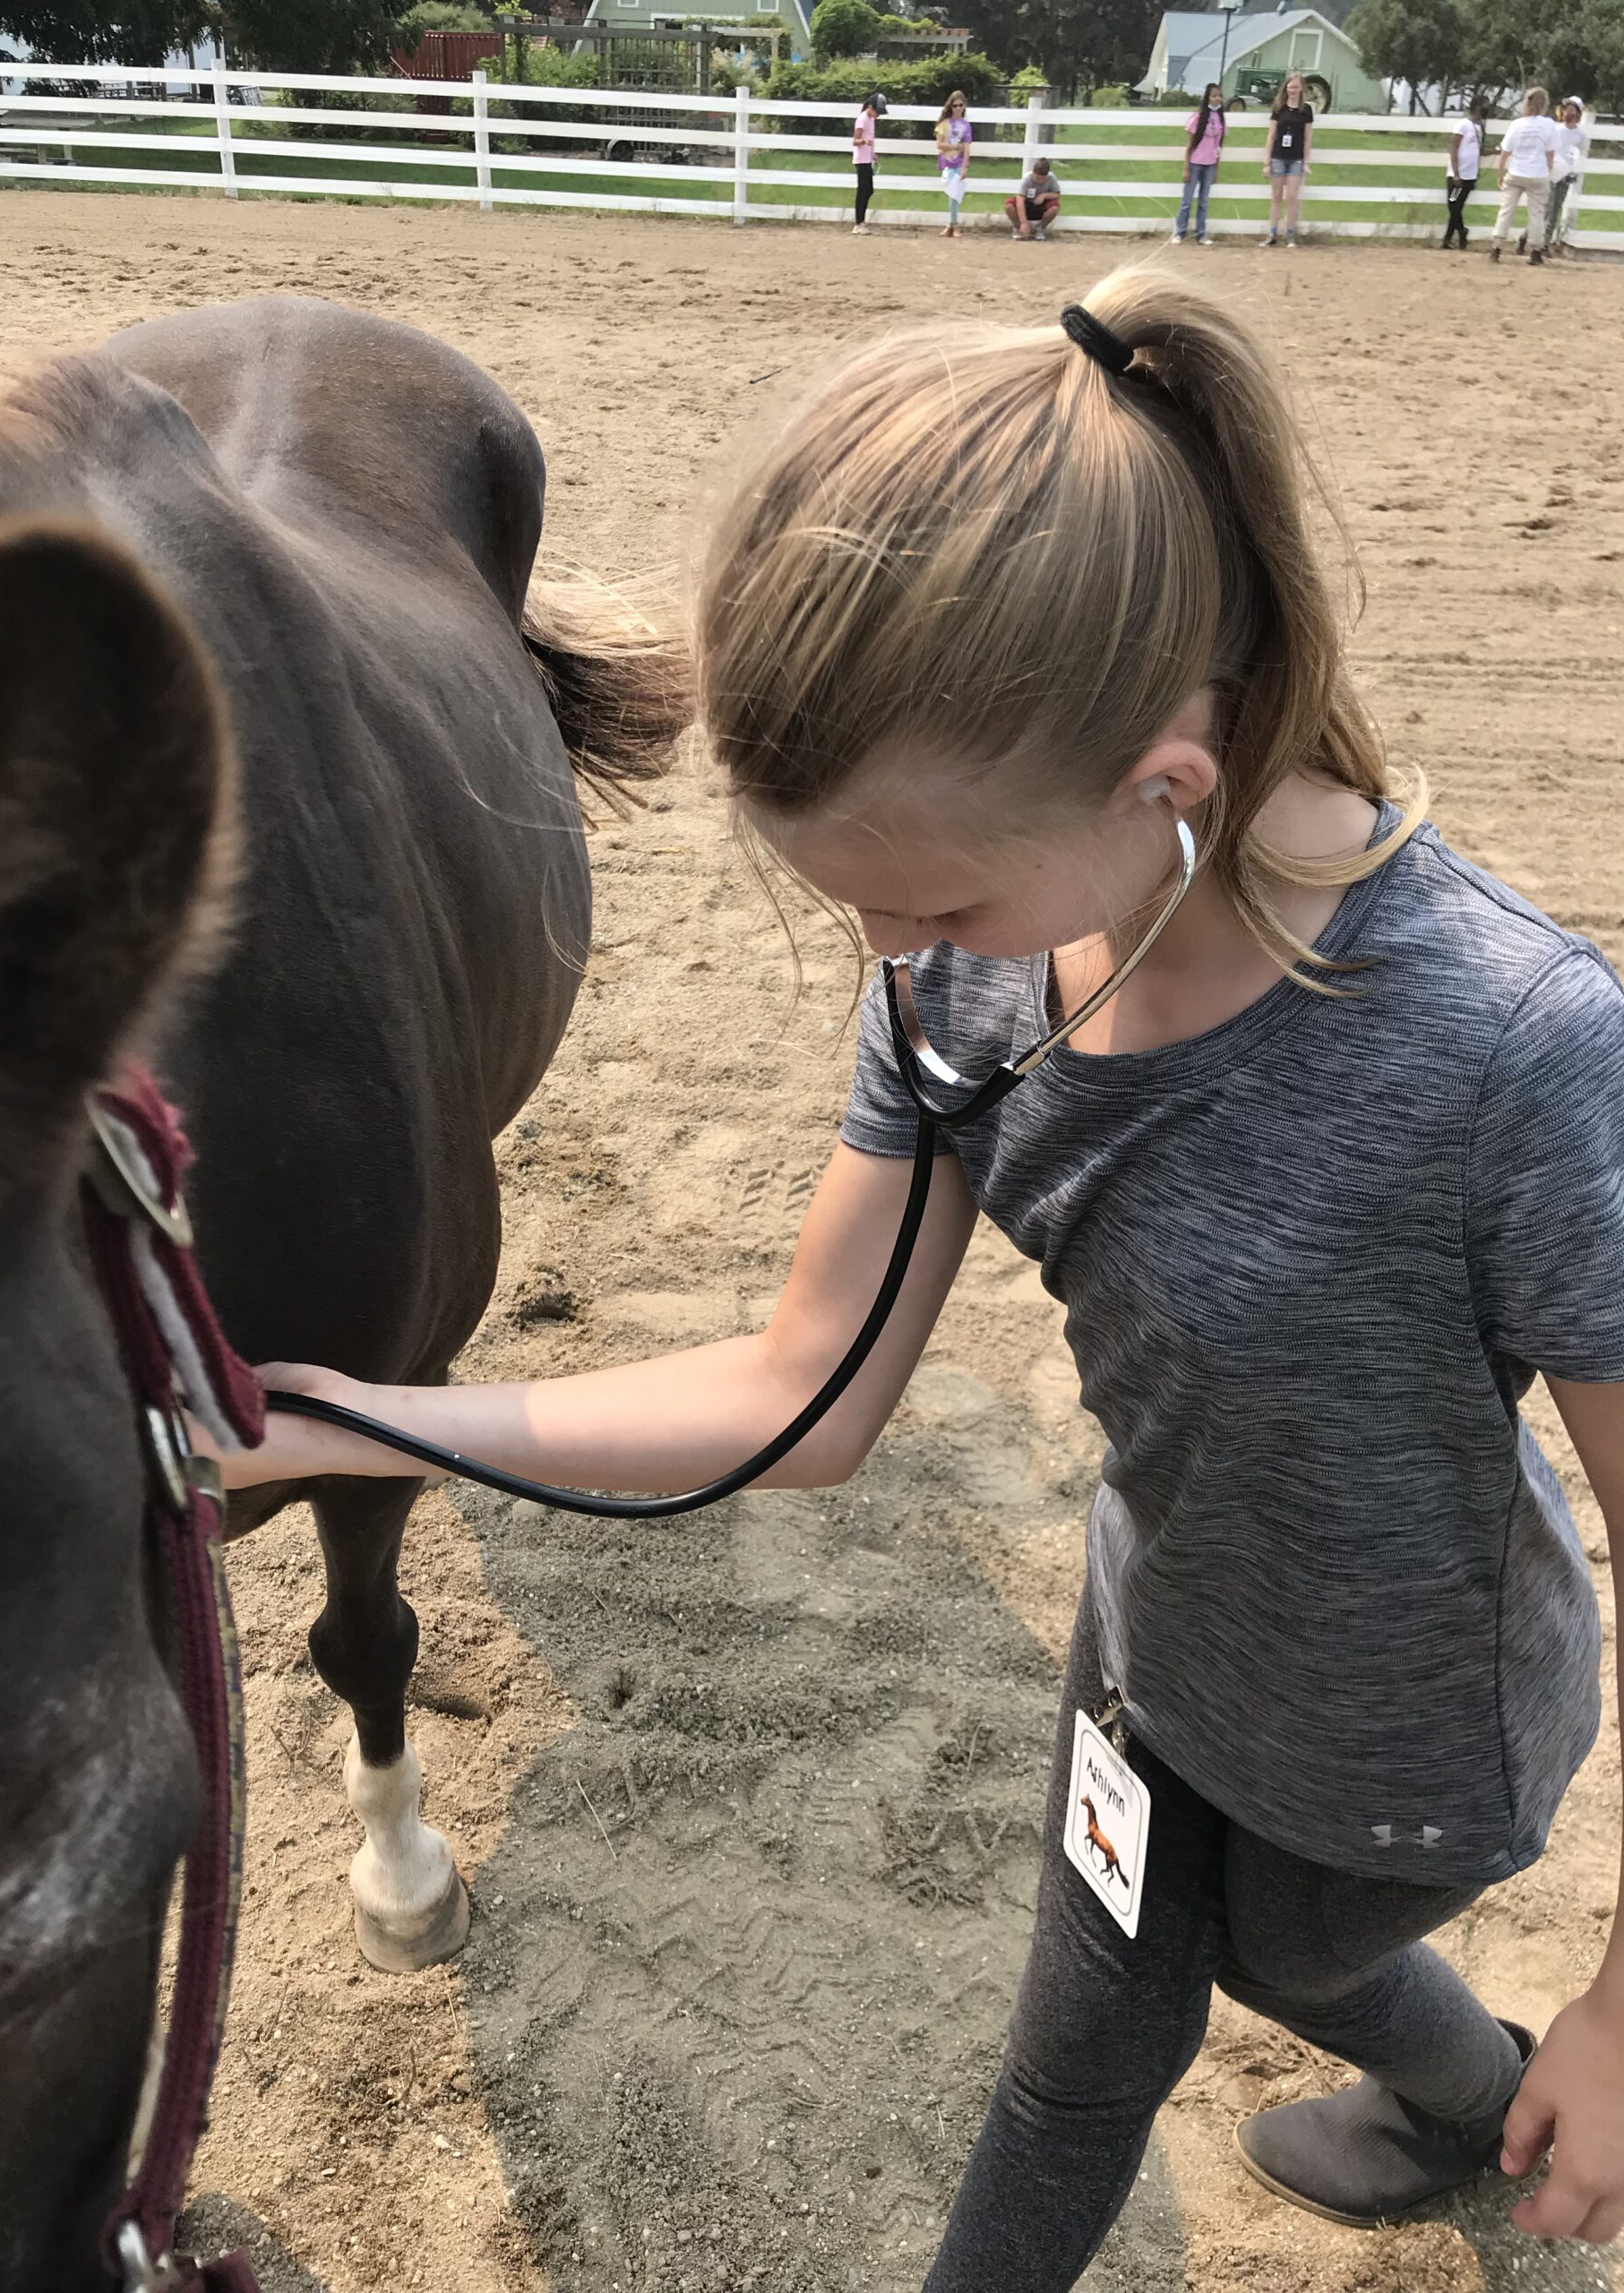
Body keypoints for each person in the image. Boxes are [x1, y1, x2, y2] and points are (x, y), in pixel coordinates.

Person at [226, 267, 1624, 2288]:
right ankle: (1452, 2091)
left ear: (1166, 786)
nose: (894, 958)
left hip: (1405, 1756)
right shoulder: (966, 989)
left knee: (1286, 1953)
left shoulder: (1514, 1051)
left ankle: (1464, 2083)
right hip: (1153, 1644)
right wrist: (343, 1415)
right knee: (1075, 2072)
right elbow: (803, 1389)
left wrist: (1619, 2005)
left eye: (938, 900)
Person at [1492, 86, 1560, 265]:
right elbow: (1550, 154)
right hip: (1538, 174)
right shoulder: (1548, 125)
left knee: (1506, 210)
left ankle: (1496, 248)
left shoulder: (1517, 124)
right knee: (1537, 214)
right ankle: (1535, 252)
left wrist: (1500, 173)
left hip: (1516, 172)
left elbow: (1505, 152)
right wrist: (1548, 171)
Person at [1262, 71, 1314, 248]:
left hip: (1296, 159)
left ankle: (1290, 234)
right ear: (1286, 88)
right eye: (1290, 87)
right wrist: (1266, 162)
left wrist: (1306, 161)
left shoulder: (1306, 110)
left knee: (1292, 197)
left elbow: (1308, 138)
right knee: (1276, 196)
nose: (1292, 90)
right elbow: (1271, 135)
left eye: (1296, 87)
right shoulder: (1279, 107)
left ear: (1301, 89)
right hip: (1278, 157)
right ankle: (1272, 233)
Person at [1173, 81, 1225, 245]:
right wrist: (1186, 167)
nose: (1217, 99)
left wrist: (1216, 167)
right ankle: (1180, 232)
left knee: (1204, 202)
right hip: (1195, 162)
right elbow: (1190, 144)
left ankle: (1201, 234)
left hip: (1210, 164)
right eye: (1214, 96)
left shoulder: (1220, 118)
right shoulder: (1198, 117)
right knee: (1187, 200)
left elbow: (1219, 145)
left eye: (1219, 96)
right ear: (1207, 97)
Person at [1442, 97, 1485, 250]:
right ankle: (1461, 231)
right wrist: (1456, 173)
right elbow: (1453, 148)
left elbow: (1479, 150)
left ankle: (1448, 238)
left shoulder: (1479, 127)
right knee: (1453, 204)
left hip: (1470, 176)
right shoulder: (1463, 125)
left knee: (1457, 207)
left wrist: (1498, 151)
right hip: (1458, 176)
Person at [1547, 95, 1586, 253]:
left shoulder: (1580, 135)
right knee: (1546, 209)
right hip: (1551, 172)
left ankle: (1544, 243)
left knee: (1555, 210)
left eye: (1571, 109)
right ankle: (1530, 237)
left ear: (1577, 113)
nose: (1567, 112)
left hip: (1565, 174)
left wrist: (1572, 171)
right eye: (1566, 109)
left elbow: (1578, 155)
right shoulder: (1555, 129)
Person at [934, 90, 972, 239]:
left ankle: (952, 225)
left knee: (955, 194)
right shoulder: (944, 125)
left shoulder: (966, 126)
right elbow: (939, 145)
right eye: (955, 105)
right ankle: (952, 225)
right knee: (953, 193)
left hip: (959, 162)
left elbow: (967, 148)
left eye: (960, 105)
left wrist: (964, 167)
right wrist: (956, 147)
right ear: (950, 106)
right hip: (948, 162)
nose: (958, 108)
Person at [852, 90, 887, 236]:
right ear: (870, 107)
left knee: (868, 190)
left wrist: (872, 154)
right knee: (864, 190)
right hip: (861, 160)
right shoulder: (862, 119)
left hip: (867, 158)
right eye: (877, 111)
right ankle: (858, 222)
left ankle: (861, 221)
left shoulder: (870, 120)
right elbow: (855, 141)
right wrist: (864, 142)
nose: (878, 115)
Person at [1005, 154, 1061, 241]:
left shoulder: (1051, 178)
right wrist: (1023, 222)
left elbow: (1057, 194)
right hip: (1027, 204)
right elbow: (1020, 199)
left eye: (1043, 179)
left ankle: (1040, 229)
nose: (1039, 181)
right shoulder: (1026, 179)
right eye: (1037, 178)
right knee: (1009, 206)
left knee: (1054, 208)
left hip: (1041, 206)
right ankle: (1018, 228)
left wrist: (1044, 195)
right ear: (1033, 172)